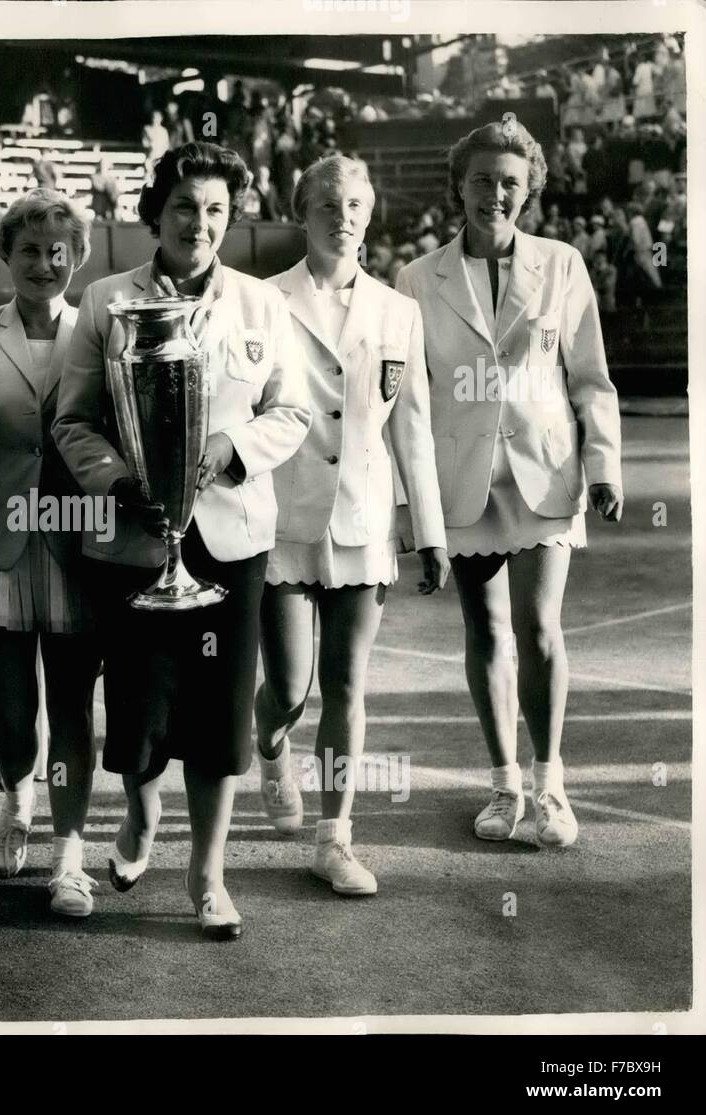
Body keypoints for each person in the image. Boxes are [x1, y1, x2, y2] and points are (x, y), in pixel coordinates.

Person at [53, 141, 311, 939]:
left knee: (221, 714)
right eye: (184, 208)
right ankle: (139, 813)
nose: (199, 224)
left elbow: (290, 411)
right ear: (153, 214)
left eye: (215, 211)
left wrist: (231, 452)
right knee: (136, 720)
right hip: (133, 540)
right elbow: (73, 421)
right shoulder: (103, 302)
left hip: (230, 541)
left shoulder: (263, 305)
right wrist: (120, 482)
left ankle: (207, 874)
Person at [395, 120, 623, 849]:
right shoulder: (415, 279)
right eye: (484, 180)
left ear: (530, 191)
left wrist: (605, 466)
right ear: (460, 185)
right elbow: (414, 402)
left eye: (511, 183)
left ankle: (550, 784)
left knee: (540, 628)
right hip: (463, 479)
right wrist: (417, 511)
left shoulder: (563, 265)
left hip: (544, 473)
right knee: (486, 630)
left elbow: (590, 379)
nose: (497, 194)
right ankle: (504, 786)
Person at [254, 155, 448, 893]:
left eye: (357, 203)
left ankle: (335, 838)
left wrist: (427, 529)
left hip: (365, 521)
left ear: (372, 212)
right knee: (292, 687)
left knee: (346, 683)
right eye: (329, 203)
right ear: (302, 212)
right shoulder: (265, 299)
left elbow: (415, 428)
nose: (345, 216)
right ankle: (270, 745)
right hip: (283, 521)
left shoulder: (399, 310)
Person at [0, 191, 104, 916]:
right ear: (7, 255)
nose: (45, 263)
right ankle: (17, 795)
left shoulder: (100, 332)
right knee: (12, 715)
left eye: (58, 249)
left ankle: (69, 856)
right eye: (30, 250)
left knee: (72, 707)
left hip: (79, 541)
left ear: (80, 255)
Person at [88, 155, 121, 220]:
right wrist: (107, 185)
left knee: (112, 197)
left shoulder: (112, 178)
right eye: (102, 164)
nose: (103, 166)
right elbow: (100, 188)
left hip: (110, 203)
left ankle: (112, 214)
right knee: (100, 196)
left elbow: (115, 191)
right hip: (99, 204)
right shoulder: (94, 177)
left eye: (105, 164)